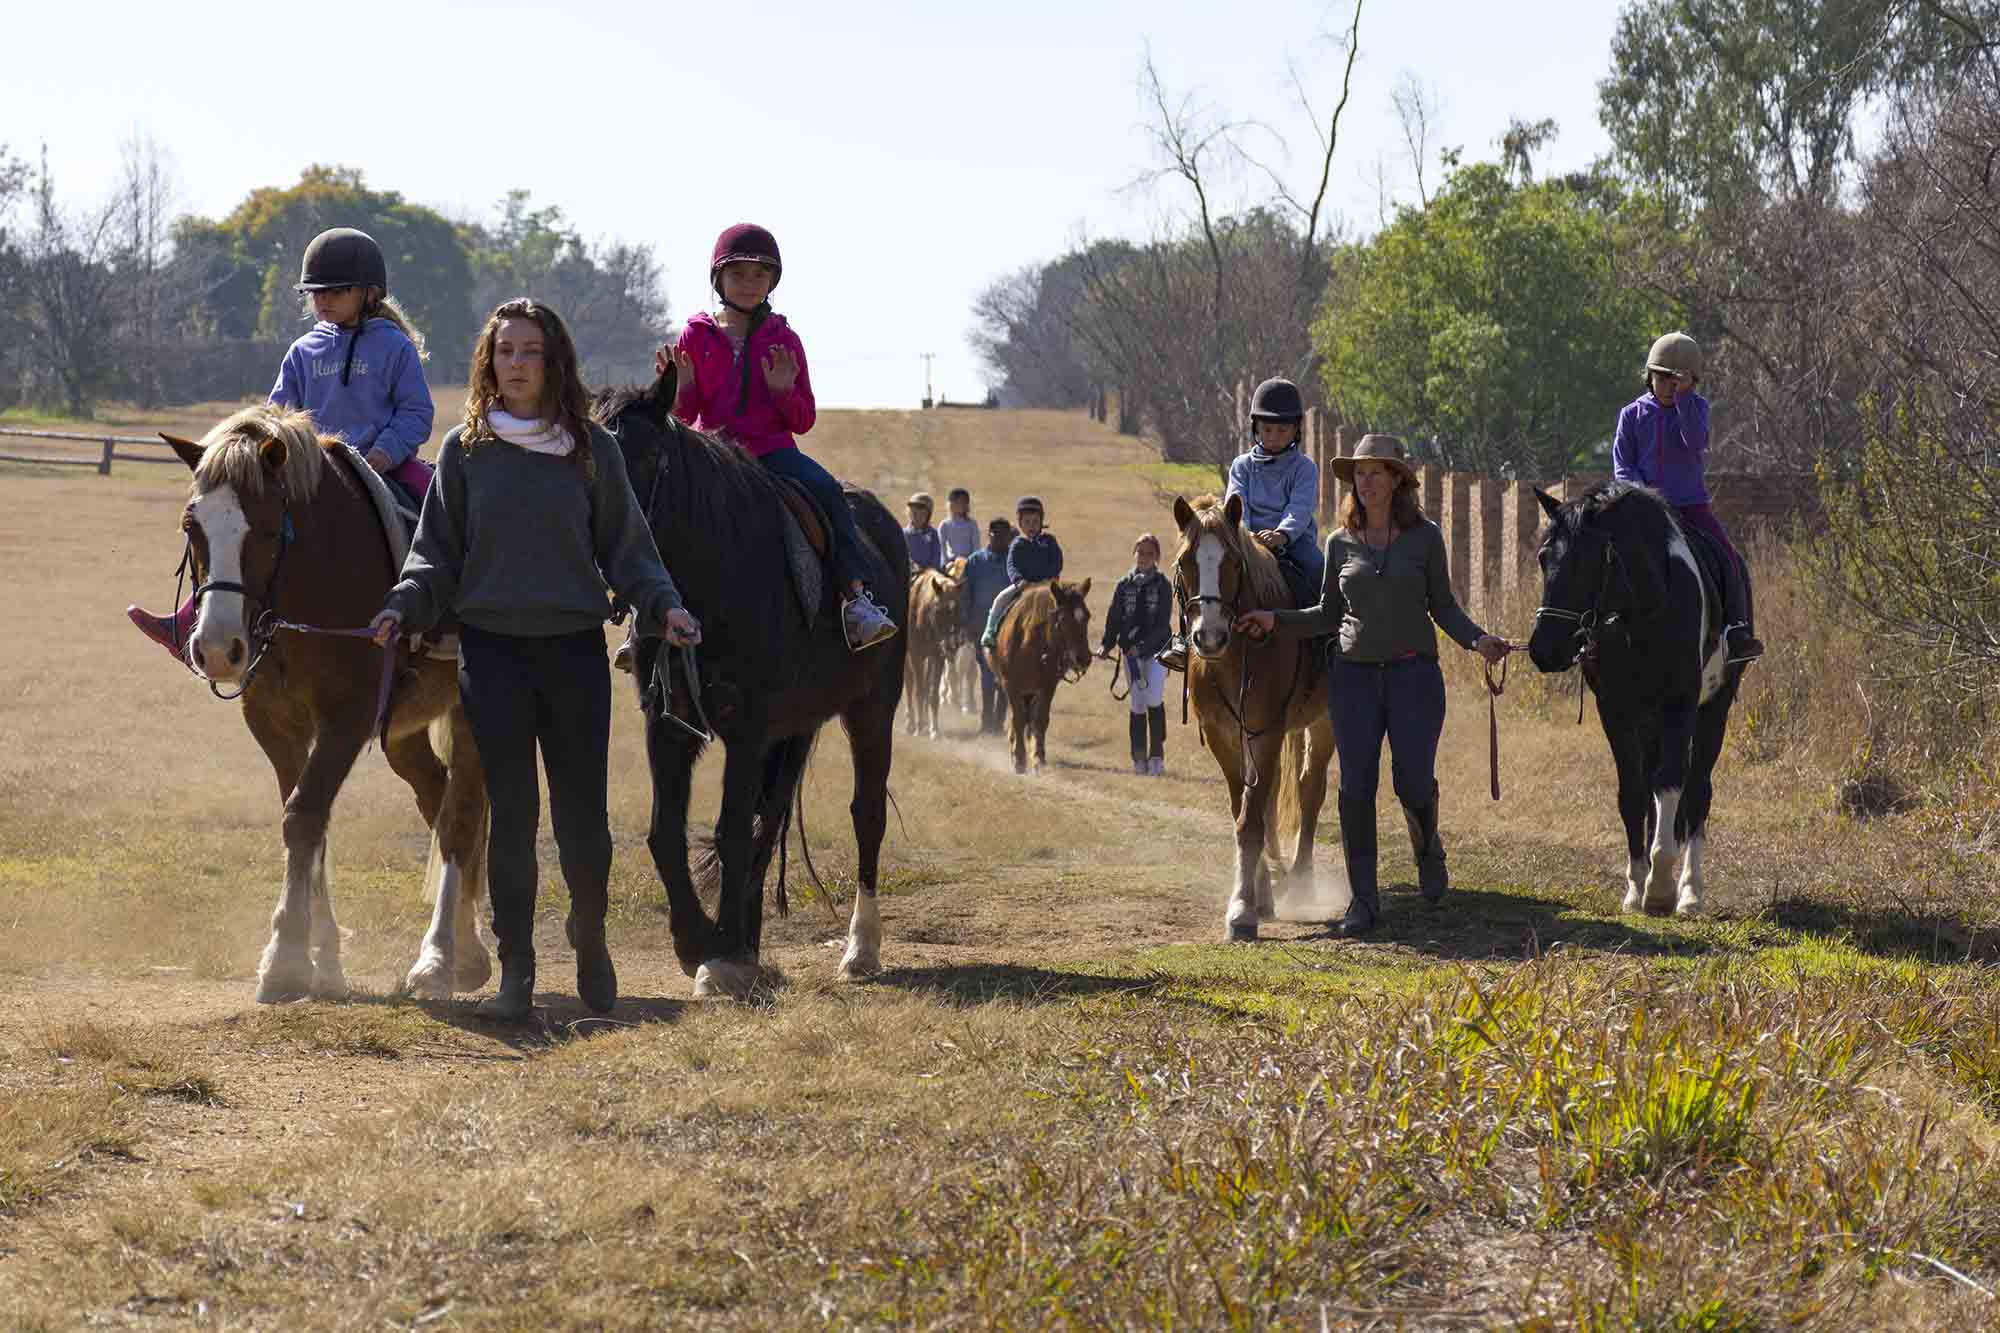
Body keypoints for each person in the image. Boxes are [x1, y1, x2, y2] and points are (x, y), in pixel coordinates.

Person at [370, 299, 701, 1022]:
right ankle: (516, 966)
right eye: (506, 351)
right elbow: (435, 557)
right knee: (512, 815)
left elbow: (628, 548)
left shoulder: (591, 449)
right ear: (489, 361)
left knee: (584, 819)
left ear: (555, 363)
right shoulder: (465, 450)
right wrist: (403, 605)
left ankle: (591, 940)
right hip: (491, 654)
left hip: (573, 651)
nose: (518, 364)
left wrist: (663, 604)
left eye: (532, 351)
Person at [1236, 434, 1509, 939]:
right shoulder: (1339, 542)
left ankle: (1427, 844)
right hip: (1353, 680)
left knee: (1411, 781)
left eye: (1375, 472)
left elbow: (1443, 606)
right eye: (1358, 475)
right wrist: (1274, 620)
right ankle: (1364, 902)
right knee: (1355, 789)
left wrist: (1478, 640)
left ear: (1397, 480)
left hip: (1414, 677)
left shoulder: (1425, 537)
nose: (1365, 482)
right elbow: (1325, 615)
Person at [127, 227, 436, 657]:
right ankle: (190, 619)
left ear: (369, 293)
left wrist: (383, 453)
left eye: (335, 290)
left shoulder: (395, 348)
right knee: (229, 520)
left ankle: (438, 623)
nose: (322, 300)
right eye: (315, 292)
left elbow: (416, 414)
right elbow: (274, 418)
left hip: (386, 463)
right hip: (312, 475)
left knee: (435, 507)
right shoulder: (302, 351)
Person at [662, 223, 895, 651]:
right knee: (656, 496)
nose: (748, 284)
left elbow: (803, 420)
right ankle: (645, 613)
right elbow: (685, 415)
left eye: (758, 275)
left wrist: (783, 392)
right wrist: (683, 389)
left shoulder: (784, 339)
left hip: (772, 453)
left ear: (772, 281)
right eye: (738, 274)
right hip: (710, 456)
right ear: (718, 280)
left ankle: (855, 600)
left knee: (826, 489)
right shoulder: (695, 336)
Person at [1612, 332, 1764, 663]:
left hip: (1691, 508)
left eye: (1677, 380)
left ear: (1692, 382)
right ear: (1649, 376)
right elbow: (1623, 467)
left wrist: (1682, 402)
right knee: (1607, 557)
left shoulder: (1696, 409)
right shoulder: (1631, 415)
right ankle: (1600, 635)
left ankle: (1737, 631)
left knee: (1730, 559)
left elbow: (1694, 442)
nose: (1668, 385)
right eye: (1661, 377)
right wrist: (1643, 494)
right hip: (1647, 511)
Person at [1162, 376, 1322, 672]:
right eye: (1268, 429)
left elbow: (1300, 508)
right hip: (1245, 539)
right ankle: (1183, 639)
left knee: (1319, 571)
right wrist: (1245, 535)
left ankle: (1326, 645)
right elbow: (1236, 505)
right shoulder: (1241, 465)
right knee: (1192, 572)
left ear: (1296, 430)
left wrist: (1282, 535)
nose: (1274, 435)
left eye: (1282, 429)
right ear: (1256, 428)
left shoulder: (1304, 468)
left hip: (1293, 542)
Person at [1100, 533, 1174, 775]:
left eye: (1149, 554)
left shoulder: (1163, 586)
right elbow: (1114, 617)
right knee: (1137, 702)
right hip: (1131, 656)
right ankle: (1138, 758)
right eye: (1140, 552)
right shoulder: (1124, 585)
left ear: (1157, 558)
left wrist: (1141, 647)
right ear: (1134, 554)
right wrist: (1107, 644)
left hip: (1157, 653)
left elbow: (1163, 625)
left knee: (1153, 697)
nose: (1144, 557)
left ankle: (1157, 758)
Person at [977, 496, 1063, 651]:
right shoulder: (1017, 544)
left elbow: (1057, 560)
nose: (1031, 526)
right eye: (1027, 522)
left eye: (1035, 522)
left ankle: (1067, 642)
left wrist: (1050, 577)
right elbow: (1011, 565)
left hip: (1048, 586)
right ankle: (990, 630)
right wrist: (1018, 580)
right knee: (1000, 598)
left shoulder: (1049, 541)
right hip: (1024, 585)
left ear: (1041, 522)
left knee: (1067, 606)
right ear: (1020, 523)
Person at [960, 516, 1015, 734]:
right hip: (980, 626)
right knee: (986, 675)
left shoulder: (1012, 562)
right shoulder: (975, 561)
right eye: (996, 535)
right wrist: (966, 623)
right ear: (989, 534)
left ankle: (998, 723)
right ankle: (987, 722)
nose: (1000, 539)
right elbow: (965, 594)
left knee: (1004, 676)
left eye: (1005, 536)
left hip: (1007, 628)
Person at [903, 492, 943, 572]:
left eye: (921, 511)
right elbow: (903, 555)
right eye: (913, 512)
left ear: (928, 514)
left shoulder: (932, 533)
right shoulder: (904, 534)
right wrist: (914, 566)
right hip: (911, 573)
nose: (916, 515)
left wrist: (931, 569)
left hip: (931, 573)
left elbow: (936, 554)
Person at [939, 487, 980, 564]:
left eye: (964, 501)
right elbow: (942, 548)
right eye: (957, 501)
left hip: (969, 560)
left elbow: (976, 546)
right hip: (951, 561)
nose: (961, 504)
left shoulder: (972, 524)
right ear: (950, 504)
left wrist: (974, 562)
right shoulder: (944, 525)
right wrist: (945, 562)